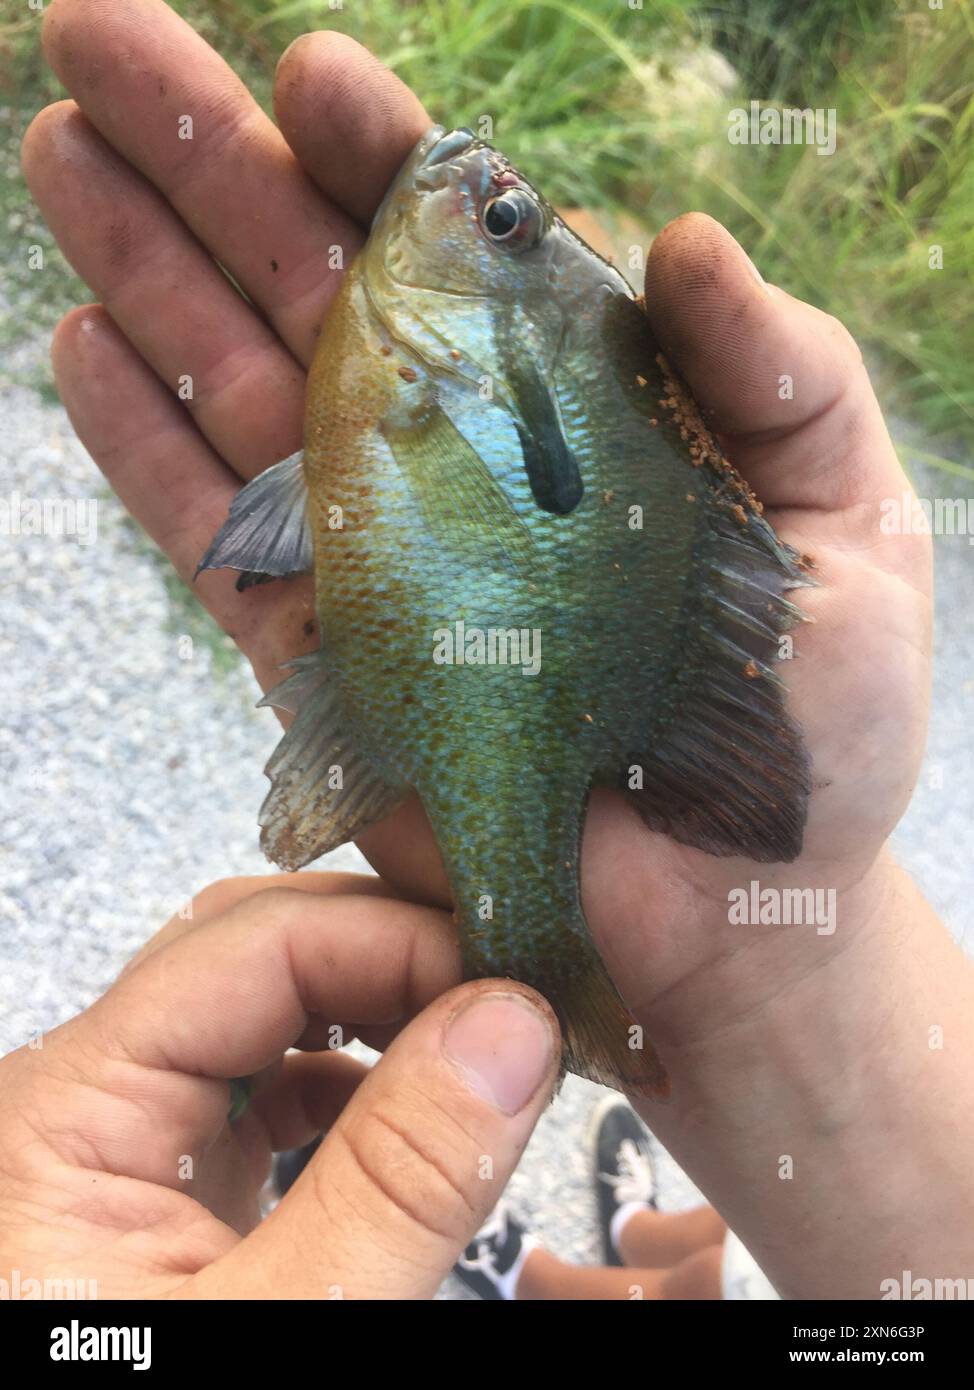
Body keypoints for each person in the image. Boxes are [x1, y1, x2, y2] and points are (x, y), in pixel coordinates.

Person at [4, 0, 970, 1299]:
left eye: (502, 223)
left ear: (512, 318)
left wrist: (770, 969)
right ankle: (595, 1246)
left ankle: (543, 1233)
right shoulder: (441, 366)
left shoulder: (440, 362)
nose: (488, 198)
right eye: (512, 218)